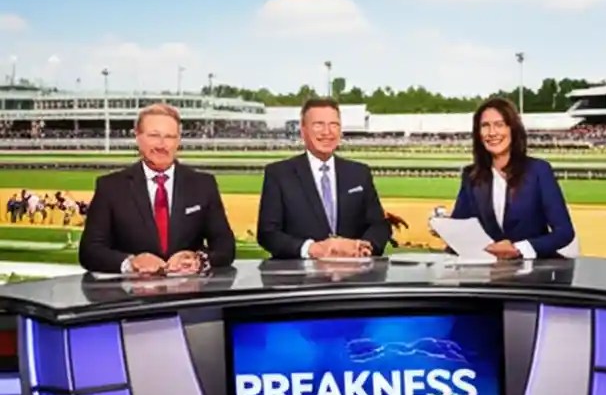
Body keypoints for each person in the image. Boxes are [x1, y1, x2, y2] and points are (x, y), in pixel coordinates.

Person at [78, 103, 236, 275]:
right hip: (131, 295)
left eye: (169, 137)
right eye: (154, 135)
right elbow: (89, 251)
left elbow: (225, 247)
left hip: (188, 295)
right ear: (137, 137)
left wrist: (198, 259)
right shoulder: (111, 187)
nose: (162, 145)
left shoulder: (203, 184)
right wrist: (131, 263)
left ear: (178, 141)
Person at [256, 98, 390, 259]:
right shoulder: (279, 174)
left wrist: (362, 247)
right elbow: (268, 234)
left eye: (334, 125)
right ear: (303, 130)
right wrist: (312, 249)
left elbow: (379, 225)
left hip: (353, 276)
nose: (327, 132)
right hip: (299, 278)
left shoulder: (359, 173)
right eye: (318, 124)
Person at [449, 97, 576, 259]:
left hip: (534, 274)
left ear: (512, 129)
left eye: (499, 125)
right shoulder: (471, 175)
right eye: (485, 126)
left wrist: (519, 249)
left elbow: (564, 232)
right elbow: (459, 226)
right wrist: (446, 229)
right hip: (489, 275)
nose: (492, 132)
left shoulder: (539, 171)